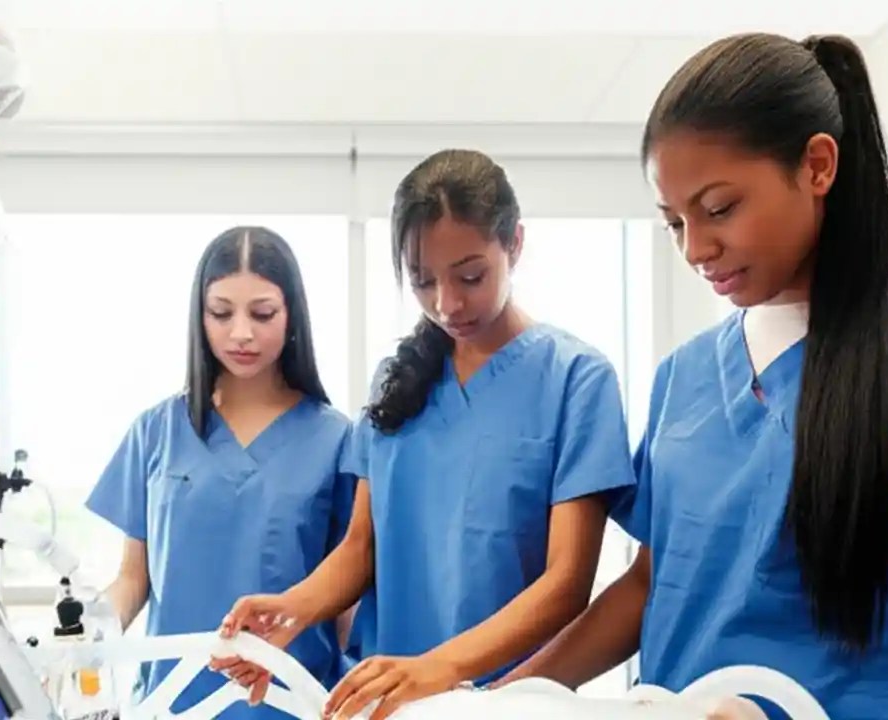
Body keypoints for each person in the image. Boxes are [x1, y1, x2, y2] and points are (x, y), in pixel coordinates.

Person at [500, 32, 888, 719]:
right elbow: (652, 583)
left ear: (816, 166)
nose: (697, 248)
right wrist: (509, 698)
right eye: (675, 223)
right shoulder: (684, 377)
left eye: (719, 209)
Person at [211, 149, 636, 720]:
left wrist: (442, 669)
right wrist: (290, 611)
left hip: (510, 702)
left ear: (514, 244)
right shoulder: (397, 382)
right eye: (422, 282)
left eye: (470, 276)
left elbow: (567, 583)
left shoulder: (576, 380)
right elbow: (361, 548)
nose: (447, 303)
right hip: (390, 701)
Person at [85, 227, 357, 718]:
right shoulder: (157, 432)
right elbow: (133, 579)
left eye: (262, 313)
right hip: (171, 705)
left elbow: (344, 602)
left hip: (290, 704)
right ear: (199, 316)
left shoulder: (337, 441)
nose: (241, 333)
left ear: (292, 315)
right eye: (221, 313)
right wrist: (90, 634)